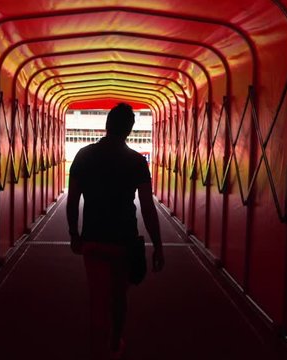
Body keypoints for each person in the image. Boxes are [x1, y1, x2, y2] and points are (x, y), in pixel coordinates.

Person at [66, 103, 165, 360]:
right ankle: (114, 344)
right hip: (124, 241)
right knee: (119, 298)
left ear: (107, 125)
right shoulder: (136, 162)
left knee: (98, 300)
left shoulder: (84, 155)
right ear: (130, 130)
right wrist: (158, 245)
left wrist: (74, 234)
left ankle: (97, 349)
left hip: (93, 240)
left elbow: (73, 200)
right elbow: (147, 208)